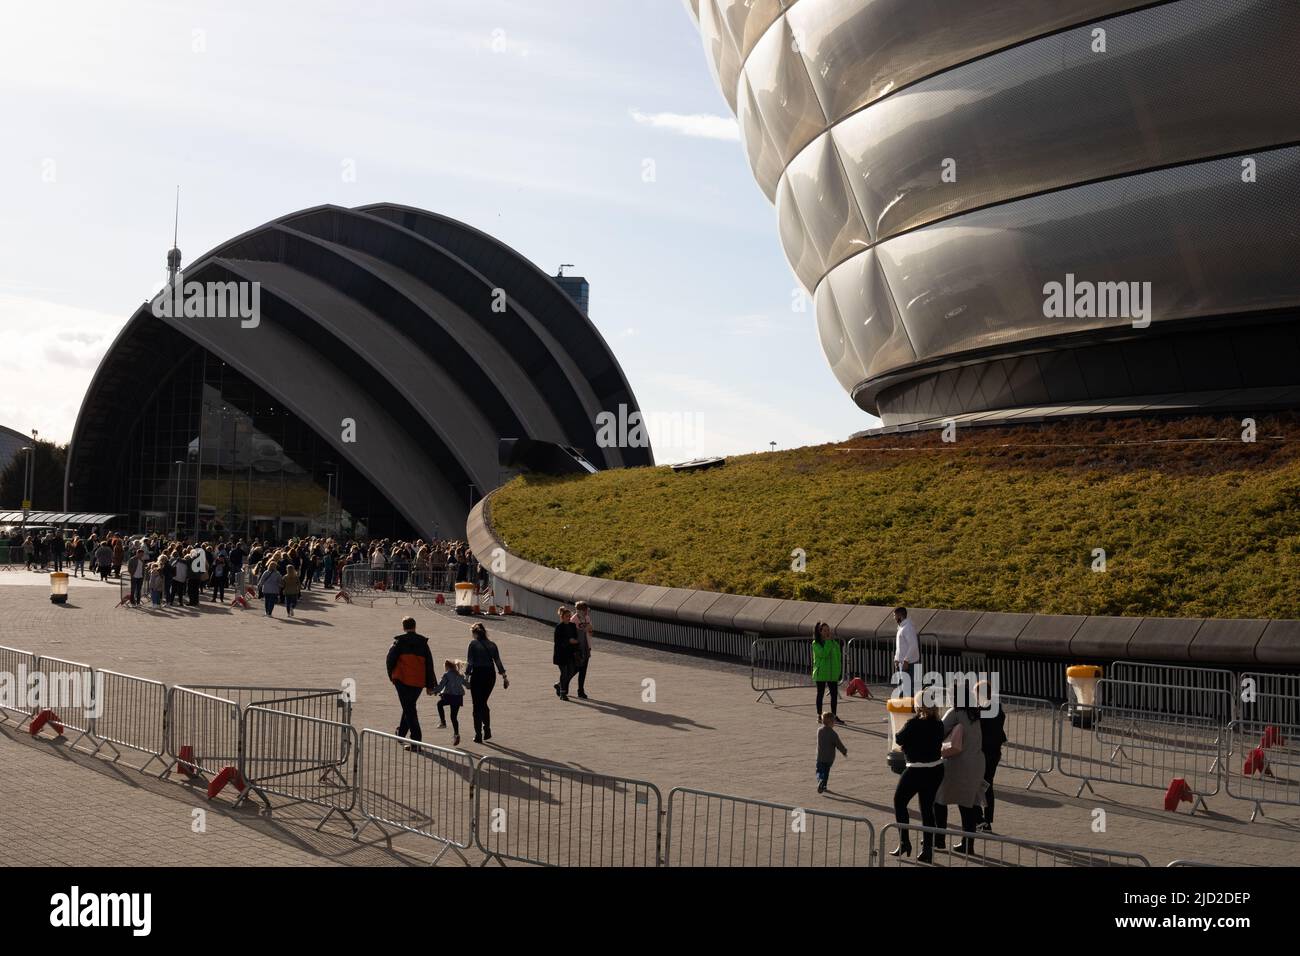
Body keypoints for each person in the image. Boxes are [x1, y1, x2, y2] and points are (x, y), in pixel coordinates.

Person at [933, 688, 987, 854]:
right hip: (976, 763)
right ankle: (968, 844)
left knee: (939, 800)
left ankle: (939, 840)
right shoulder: (976, 713)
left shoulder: (955, 712)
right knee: (967, 805)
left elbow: (939, 732)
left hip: (957, 764)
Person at [890, 702, 946, 862]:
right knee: (927, 808)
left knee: (899, 802)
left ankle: (904, 841)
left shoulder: (914, 723)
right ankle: (927, 849)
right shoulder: (938, 724)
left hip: (916, 769)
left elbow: (899, 738)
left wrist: (909, 744)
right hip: (935, 769)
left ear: (919, 707)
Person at [386, 617, 436, 748]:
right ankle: (401, 734)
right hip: (418, 681)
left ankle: (416, 741)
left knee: (409, 709)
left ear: (403, 627)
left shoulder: (399, 642)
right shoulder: (423, 643)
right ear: (415, 626)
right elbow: (429, 664)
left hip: (401, 679)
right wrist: (430, 685)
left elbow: (390, 660)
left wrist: (391, 676)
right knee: (409, 706)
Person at [465, 622, 508, 743]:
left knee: (477, 705)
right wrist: (504, 676)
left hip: (478, 675)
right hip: (490, 675)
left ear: (474, 633)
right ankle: (487, 729)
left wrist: (466, 677)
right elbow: (498, 662)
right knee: (483, 702)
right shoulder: (492, 645)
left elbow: (470, 662)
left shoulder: (473, 644)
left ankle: (478, 734)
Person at [976, 680, 1006, 833]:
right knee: (987, 786)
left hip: (984, 752)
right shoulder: (997, 708)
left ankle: (980, 819)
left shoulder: (981, 711)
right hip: (995, 752)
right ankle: (986, 820)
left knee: (977, 785)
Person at [811, 621, 843, 724]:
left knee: (834, 695)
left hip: (832, 673)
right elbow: (824, 654)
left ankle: (834, 715)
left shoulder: (834, 643)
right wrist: (828, 642)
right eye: (824, 630)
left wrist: (839, 671)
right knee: (820, 694)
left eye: (828, 630)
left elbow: (838, 657)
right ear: (820, 632)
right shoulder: (816, 644)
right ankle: (819, 715)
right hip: (821, 673)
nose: (827, 632)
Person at [815, 710, 848, 794]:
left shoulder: (819, 731)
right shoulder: (833, 734)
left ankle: (820, 780)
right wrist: (844, 751)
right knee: (826, 771)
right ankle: (824, 785)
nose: (834, 724)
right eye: (833, 722)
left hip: (820, 756)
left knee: (819, 771)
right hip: (829, 758)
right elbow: (838, 744)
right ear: (830, 723)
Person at [435, 659, 467, 746]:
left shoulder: (447, 674)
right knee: (453, 717)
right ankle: (456, 734)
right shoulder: (460, 675)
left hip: (449, 696)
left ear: (447, 666)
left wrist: (434, 691)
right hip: (458, 698)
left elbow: (441, 686)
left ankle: (443, 722)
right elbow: (468, 686)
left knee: (439, 704)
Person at [553, 607, 581, 701]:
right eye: (566, 616)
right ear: (562, 617)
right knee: (564, 673)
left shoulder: (572, 626)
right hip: (561, 654)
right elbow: (557, 641)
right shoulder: (559, 627)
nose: (568, 618)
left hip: (570, 653)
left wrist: (576, 644)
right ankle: (562, 693)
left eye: (569, 616)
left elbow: (576, 637)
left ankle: (560, 685)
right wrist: (569, 641)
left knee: (573, 670)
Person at [571, 600, 593, 699]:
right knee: (576, 669)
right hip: (577, 648)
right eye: (584, 610)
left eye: (586, 610)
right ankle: (561, 684)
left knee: (583, 670)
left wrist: (590, 629)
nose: (586, 612)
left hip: (586, 646)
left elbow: (591, 633)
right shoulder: (573, 620)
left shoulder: (587, 618)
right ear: (578, 610)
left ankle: (581, 690)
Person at [893, 606, 920, 678]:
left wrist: (906, 661)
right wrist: (896, 659)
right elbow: (900, 646)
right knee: (903, 687)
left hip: (909, 665)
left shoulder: (907, 627)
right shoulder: (901, 627)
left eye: (895, 615)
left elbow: (913, 645)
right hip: (903, 664)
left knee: (907, 688)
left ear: (900, 616)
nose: (894, 618)